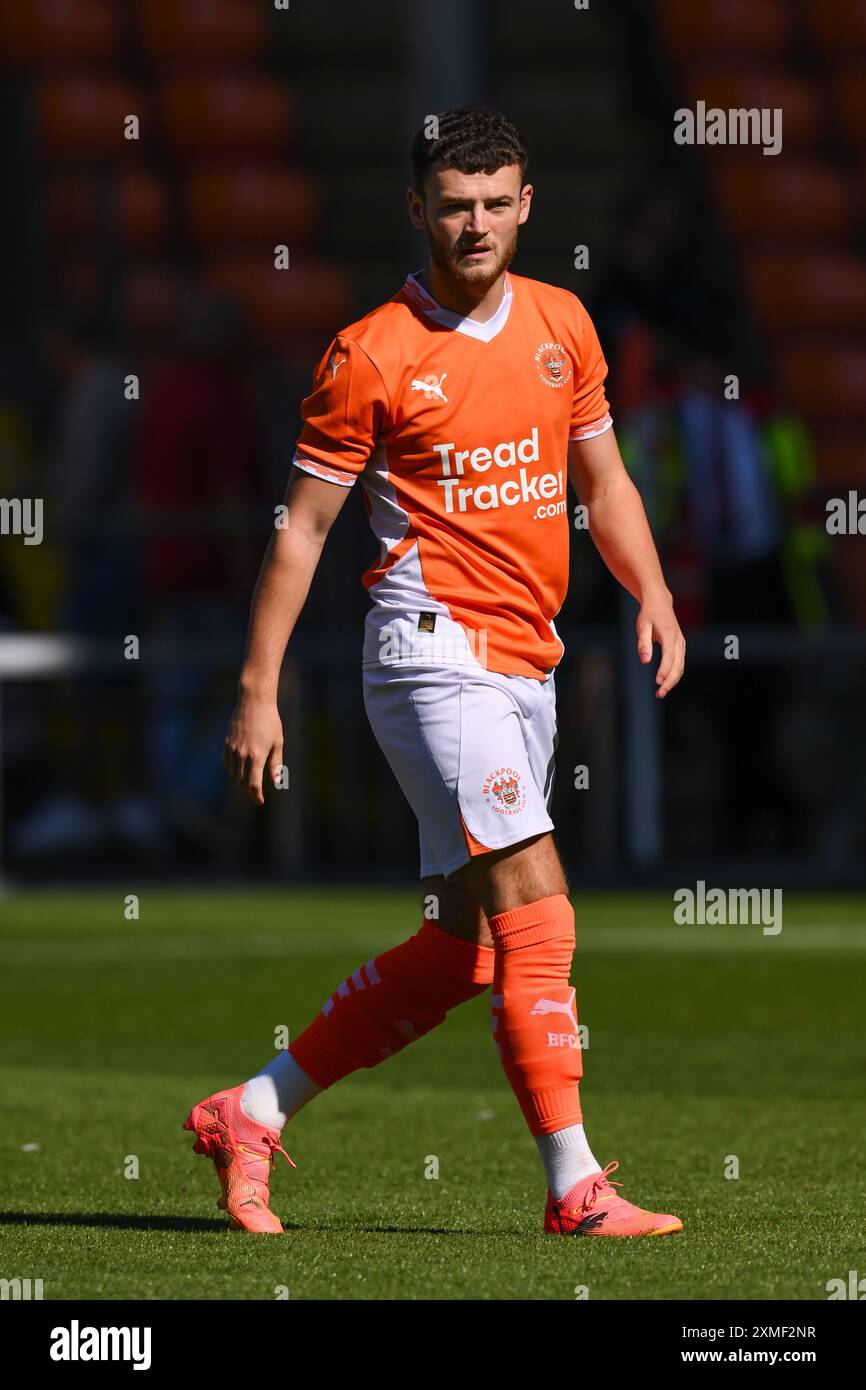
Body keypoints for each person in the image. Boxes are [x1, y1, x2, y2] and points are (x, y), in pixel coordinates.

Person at [184, 106, 686, 1237]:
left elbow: (602, 483)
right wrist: (258, 686)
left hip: (524, 660)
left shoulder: (562, 323)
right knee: (537, 907)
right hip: (428, 655)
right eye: (451, 206)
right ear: (416, 209)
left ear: (524, 205)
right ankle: (574, 1186)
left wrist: (650, 589)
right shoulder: (370, 352)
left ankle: (250, 1109)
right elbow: (304, 528)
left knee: (464, 951)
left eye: (494, 203)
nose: (474, 224)